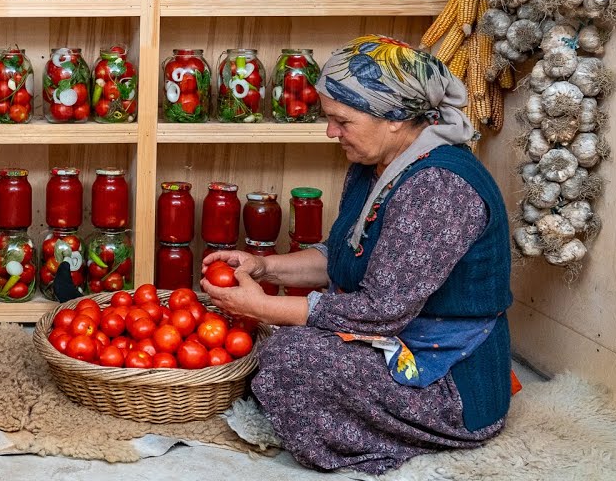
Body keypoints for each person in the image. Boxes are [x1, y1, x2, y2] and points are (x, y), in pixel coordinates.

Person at [201, 35, 512, 475]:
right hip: (394, 344)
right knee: (278, 350)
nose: (331, 132)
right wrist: (264, 265)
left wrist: (264, 306)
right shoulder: (375, 167)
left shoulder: (439, 186)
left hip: (448, 380)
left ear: (394, 118)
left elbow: (380, 311)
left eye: (341, 120)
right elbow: (344, 256)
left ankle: (393, 443)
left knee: (288, 359)